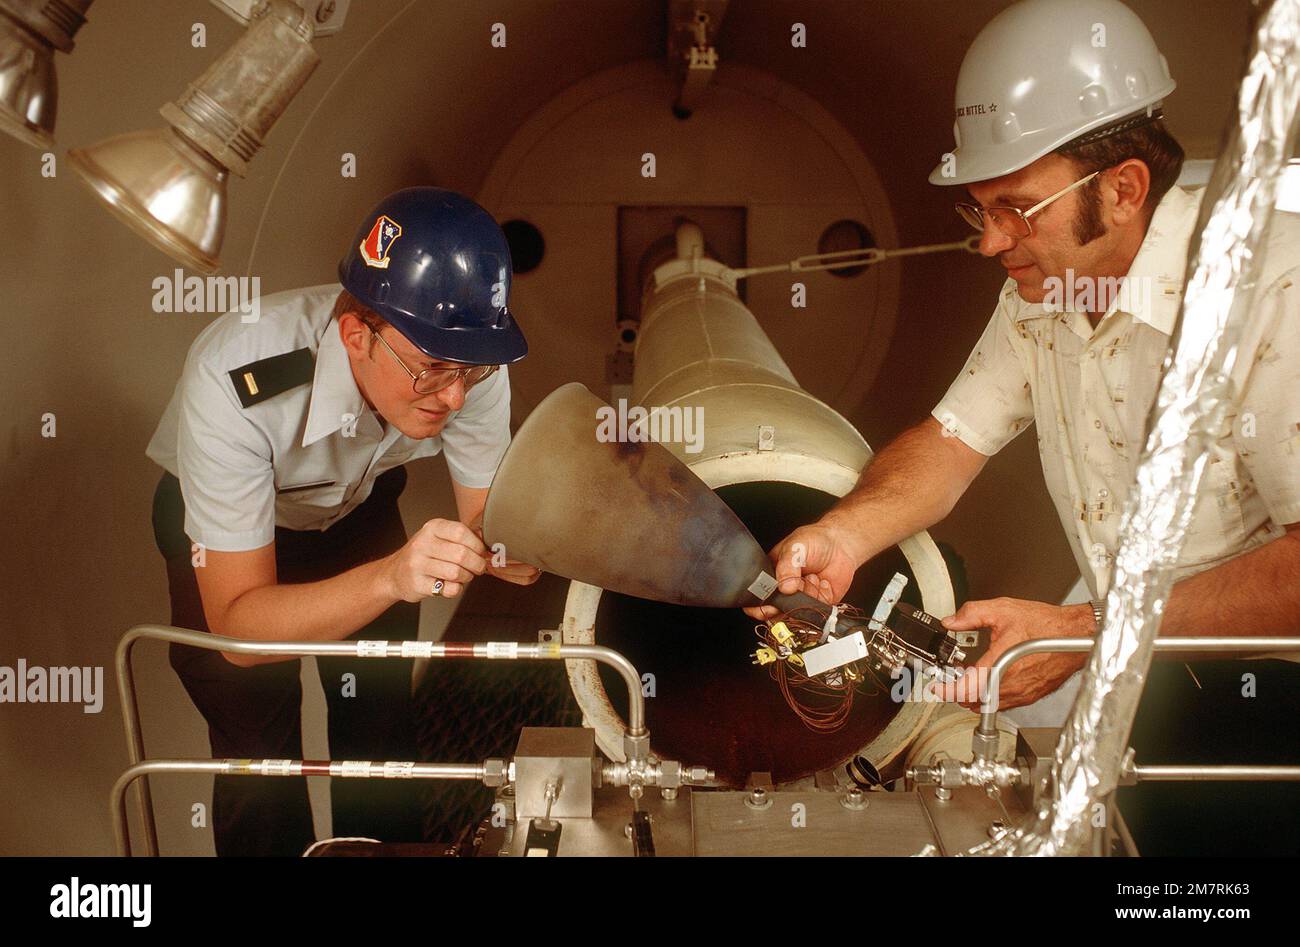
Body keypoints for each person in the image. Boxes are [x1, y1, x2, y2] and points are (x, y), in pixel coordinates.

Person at [747, 0, 1300, 854]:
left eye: (1017, 207)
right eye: (979, 210)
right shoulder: (1044, 293)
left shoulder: (1272, 291)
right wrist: (842, 533)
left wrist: (1084, 631)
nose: (990, 242)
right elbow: (952, 439)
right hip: (1158, 688)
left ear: (1124, 189)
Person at [147, 187, 540, 856]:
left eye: (470, 371)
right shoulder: (238, 374)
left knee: (381, 715)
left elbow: (492, 524)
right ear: (356, 336)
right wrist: (392, 577)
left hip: (356, 511)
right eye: (432, 370)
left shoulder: (467, 364)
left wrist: (528, 541)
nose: (454, 396)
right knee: (257, 742)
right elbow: (243, 632)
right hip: (233, 527)